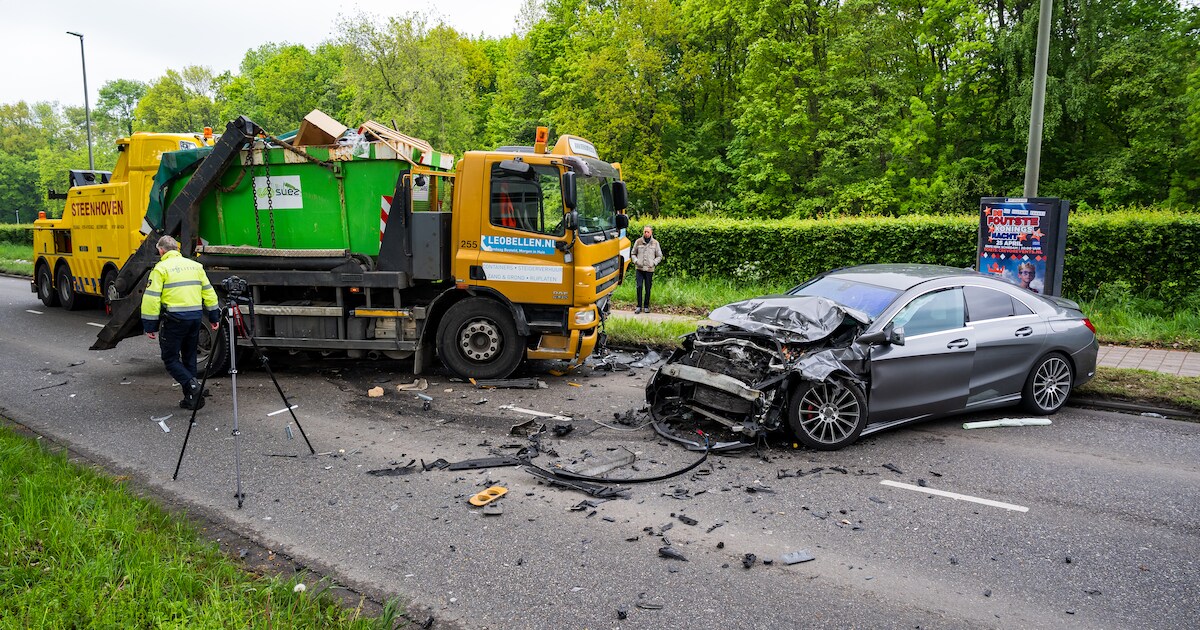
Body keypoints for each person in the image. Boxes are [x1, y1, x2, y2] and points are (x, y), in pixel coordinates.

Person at [141, 235, 221, 410]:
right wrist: (214, 317)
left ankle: (193, 386)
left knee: (170, 359)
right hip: (195, 318)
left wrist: (150, 325)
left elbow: (151, 299)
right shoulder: (195, 266)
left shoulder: (161, 269)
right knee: (189, 357)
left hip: (174, 320)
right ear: (177, 249)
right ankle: (192, 399)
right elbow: (209, 293)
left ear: (161, 250)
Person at [629, 225, 663, 313]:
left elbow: (659, 256)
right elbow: (633, 253)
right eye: (645, 232)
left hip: (649, 269)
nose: (646, 233)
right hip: (639, 269)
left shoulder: (655, 243)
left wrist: (654, 263)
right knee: (639, 286)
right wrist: (636, 261)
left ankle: (646, 306)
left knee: (648, 288)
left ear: (651, 233)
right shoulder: (638, 241)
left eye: (648, 232)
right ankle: (639, 306)